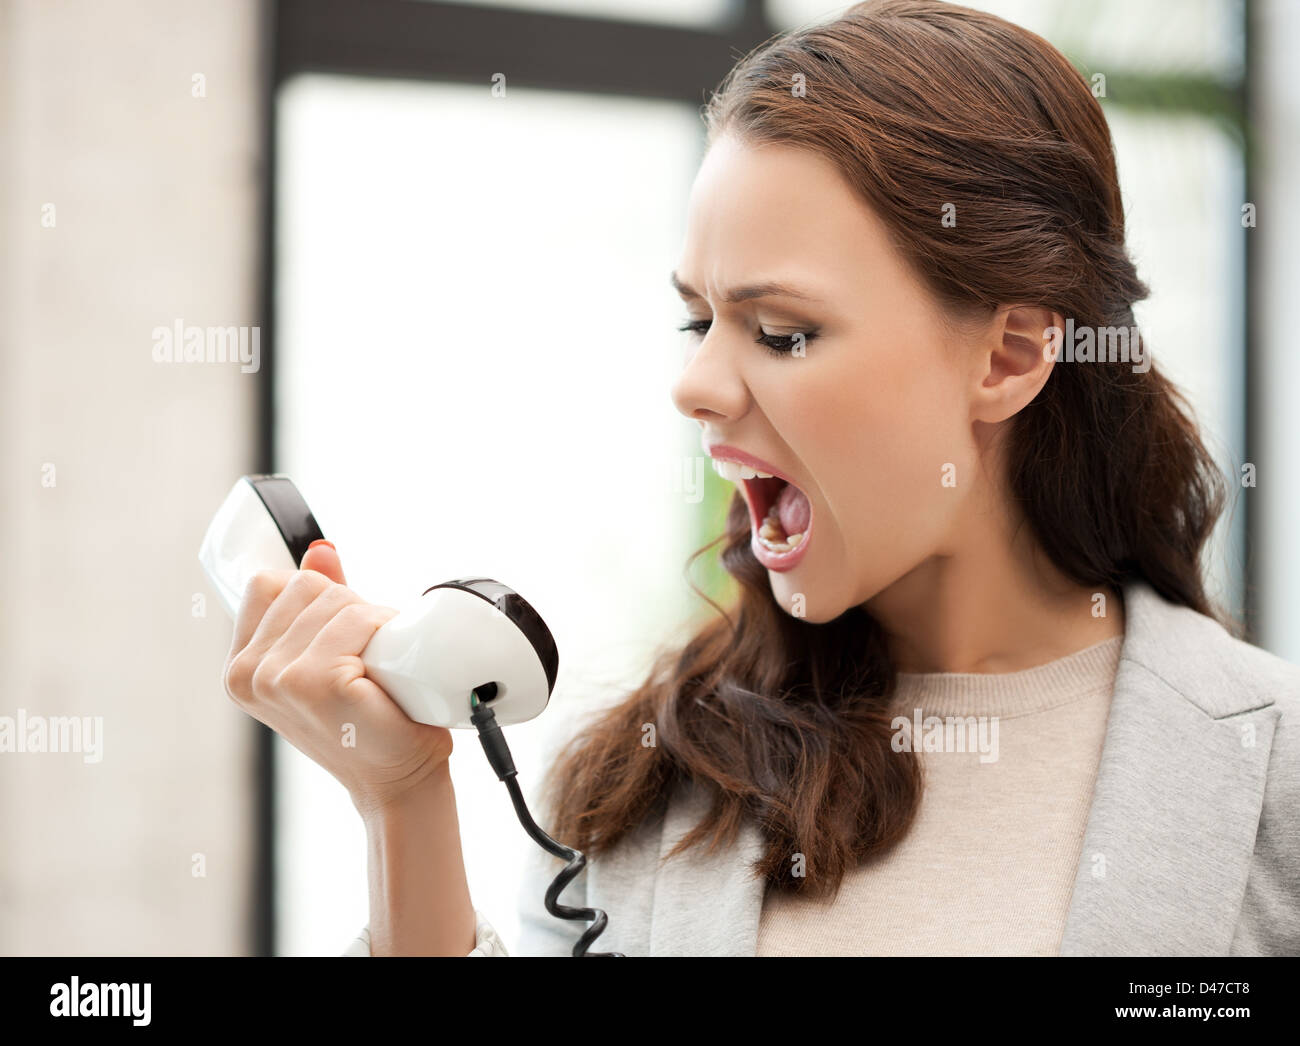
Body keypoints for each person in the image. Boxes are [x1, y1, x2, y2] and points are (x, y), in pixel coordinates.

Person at [223, 0, 1300, 956]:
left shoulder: (1273, 779)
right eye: (699, 318)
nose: (694, 383)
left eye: (779, 331)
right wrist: (402, 803)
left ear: (1010, 355)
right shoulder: (640, 779)